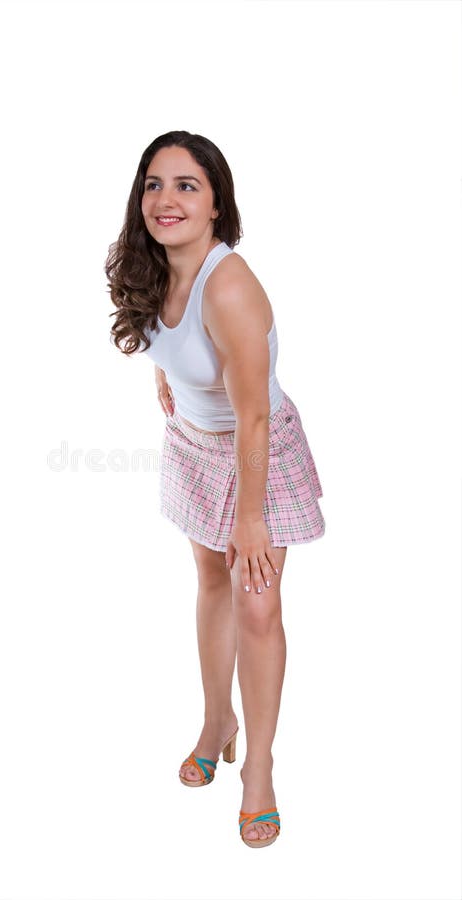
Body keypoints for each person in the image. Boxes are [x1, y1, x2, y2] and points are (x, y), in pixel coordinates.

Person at [105, 130, 325, 849]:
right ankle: (216, 721)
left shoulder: (229, 286)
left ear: (216, 204)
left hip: (255, 451)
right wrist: (165, 370)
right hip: (194, 444)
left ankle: (258, 767)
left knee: (257, 606)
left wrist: (252, 518)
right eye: (154, 184)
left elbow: (253, 413)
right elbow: (174, 337)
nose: (165, 200)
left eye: (186, 186)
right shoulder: (149, 263)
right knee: (209, 580)